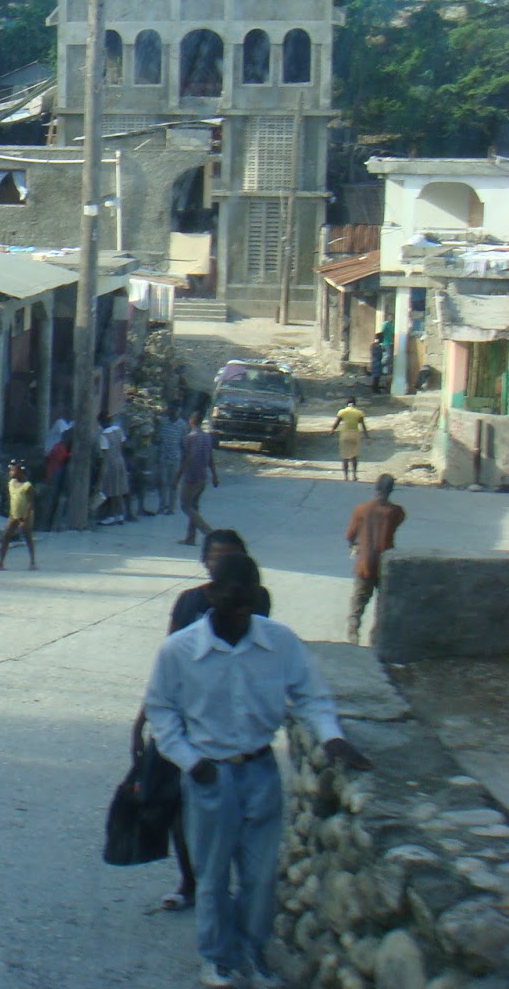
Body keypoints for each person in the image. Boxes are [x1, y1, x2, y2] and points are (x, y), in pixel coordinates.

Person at [145, 552, 372, 989]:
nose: (240, 610)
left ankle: (254, 953)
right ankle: (217, 959)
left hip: (259, 771)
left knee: (259, 875)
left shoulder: (280, 643)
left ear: (257, 596)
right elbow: (162, 711)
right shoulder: (179, 651)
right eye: (231, 601)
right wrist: (191, 762)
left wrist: (330, 736)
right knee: (212, 875)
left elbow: (311, 697)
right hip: (209, 775)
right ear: (212, 597)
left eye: (247, 600)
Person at [135, 530, 269, 915]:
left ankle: (224, 882)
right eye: (213, 558)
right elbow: (169, 660)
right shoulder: (188, 602)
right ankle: (190, 881)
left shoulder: (255, 601)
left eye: (228, 559)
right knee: (180, 802)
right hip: (184, 716)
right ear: (204, 562)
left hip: (229, 722)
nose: (218, 566)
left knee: (231, 806)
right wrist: (145, 717)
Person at [345, 474, 406, 645]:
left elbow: (349, 535)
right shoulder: (396, 512)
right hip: (385, 564)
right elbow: (398, 521)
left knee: (359, 598)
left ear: (375, 488)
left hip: (365, 563)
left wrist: (354, 544)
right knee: (383, 600)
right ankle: (377, 635)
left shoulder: (361, 509)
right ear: (391, 490)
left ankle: (353, 627)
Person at [177, 414, 219, 546]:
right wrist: (214, 476)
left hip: (191, 476)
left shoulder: (189, 438)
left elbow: (186, 459)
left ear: (191, 421)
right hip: (202, 476)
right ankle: (190, 537)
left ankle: (208, 532)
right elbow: (210, 458)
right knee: (194, 507)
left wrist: (176, 478)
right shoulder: (207, 438)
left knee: (185, 506)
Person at [0, 459, 37, 571]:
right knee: (6, 536)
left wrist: (25, 518)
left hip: (24, 516)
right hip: (13, 514)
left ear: (20, 472)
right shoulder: (11, 483)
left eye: (12, 470)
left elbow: (30, 503)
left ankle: (32, 562)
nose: (10, 472)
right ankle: (0, 562)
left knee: (28, 538)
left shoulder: (27, 486)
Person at [98, 413, 130, 525]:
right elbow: (123, 445)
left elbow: (105, 453)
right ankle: (121, 515)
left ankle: (111, 516)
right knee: (119, 490)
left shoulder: (103, 435)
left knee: (110, 491)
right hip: (120, 460)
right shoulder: (118, 430)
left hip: (110, 464)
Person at [155, 402, 186, 515]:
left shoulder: (182, 425)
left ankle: (171, 507)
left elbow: (183, 443)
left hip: (175, 458)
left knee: (173, 483)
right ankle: (162, 506)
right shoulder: (163, 423)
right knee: (162, 483)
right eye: (170, 410)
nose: (172, 412)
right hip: (163, 457)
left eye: (175, 410)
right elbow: (158, 439)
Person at [332, 397, 370, 482]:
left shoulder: (342, 412)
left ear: (346, 404)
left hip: (344, 434)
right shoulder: (359, 412)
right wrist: (367, 437)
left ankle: (346, 477)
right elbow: (363, 426)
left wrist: (331, 431)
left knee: (344, 456)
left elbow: (336, 423)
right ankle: (354, 475)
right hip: (355, 435)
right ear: (355, 404)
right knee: (354, 456)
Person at [42, 432, 71, 531]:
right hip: (55, 476)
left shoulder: (56, 446)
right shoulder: (61, 448)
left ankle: (48, 525)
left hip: (51, 475)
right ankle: (51, 525)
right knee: (55, 501)